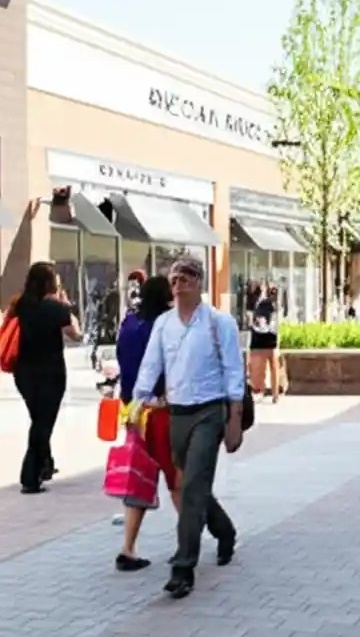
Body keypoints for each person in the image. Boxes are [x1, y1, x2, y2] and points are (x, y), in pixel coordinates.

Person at [132, 256, 242, 599]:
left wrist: (234, 415)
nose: (181, 281)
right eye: (176, 277)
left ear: (200, 283)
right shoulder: (164, 324)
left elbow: (234, 369)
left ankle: (183, 568)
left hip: (209, 412)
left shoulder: (218, 323)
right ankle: (225, 530)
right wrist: (137, 403)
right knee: (190, 483)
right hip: (177, 413)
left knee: (192, 487)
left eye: (189, 276)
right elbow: (151, 365)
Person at [114, 277, 180, 571]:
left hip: (132, 408)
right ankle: (190, 537)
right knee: (176, 476)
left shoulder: (128, 323)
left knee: (138, 479)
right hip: (158, 408)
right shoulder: (163, 326)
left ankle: (128, 547)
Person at [12, 262, 82, 494]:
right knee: (43, 424)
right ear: (50, 283)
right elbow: (76, 335)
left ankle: (45, 465)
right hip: (49, 372)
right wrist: (66, 307)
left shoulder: (21, 304)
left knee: (38, 419)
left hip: (23, 372)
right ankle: (30, 476)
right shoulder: (54, 308)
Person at [248, 284, 283, 404]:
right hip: (268, 338)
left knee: (261, 368)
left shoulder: (259, 303)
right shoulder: (273, 304)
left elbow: (253, 321)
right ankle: (273, 393)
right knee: (271, 367)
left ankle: (264, 392)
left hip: (261, 339)